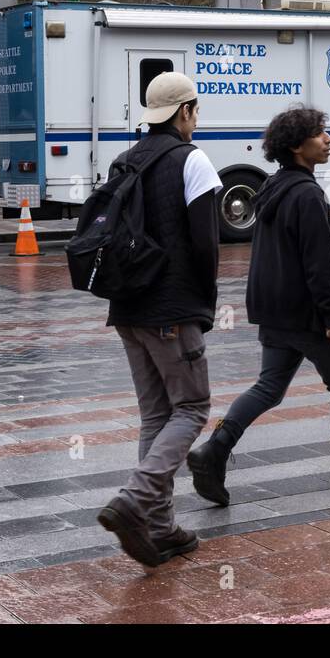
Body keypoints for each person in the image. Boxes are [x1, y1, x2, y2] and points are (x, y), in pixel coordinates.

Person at [186, 106, 330, 507]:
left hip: (273, 309)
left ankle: (215, 449)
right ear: (299, 146)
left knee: (269, 386)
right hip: (306, 314)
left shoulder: (273, 186)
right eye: (320, 134)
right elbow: (319, 264)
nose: (328, 140)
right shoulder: (308, 195)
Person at [96, 72, 221, 568]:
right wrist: (203, 305)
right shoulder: (193, 159)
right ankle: (135, 500)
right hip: (172, 309)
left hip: (127, 309)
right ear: (186, 111)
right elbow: (205, 244)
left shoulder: (123, 160)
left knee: (156, 414)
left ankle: (160, 526)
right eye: (195, 110)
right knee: (191, 407)